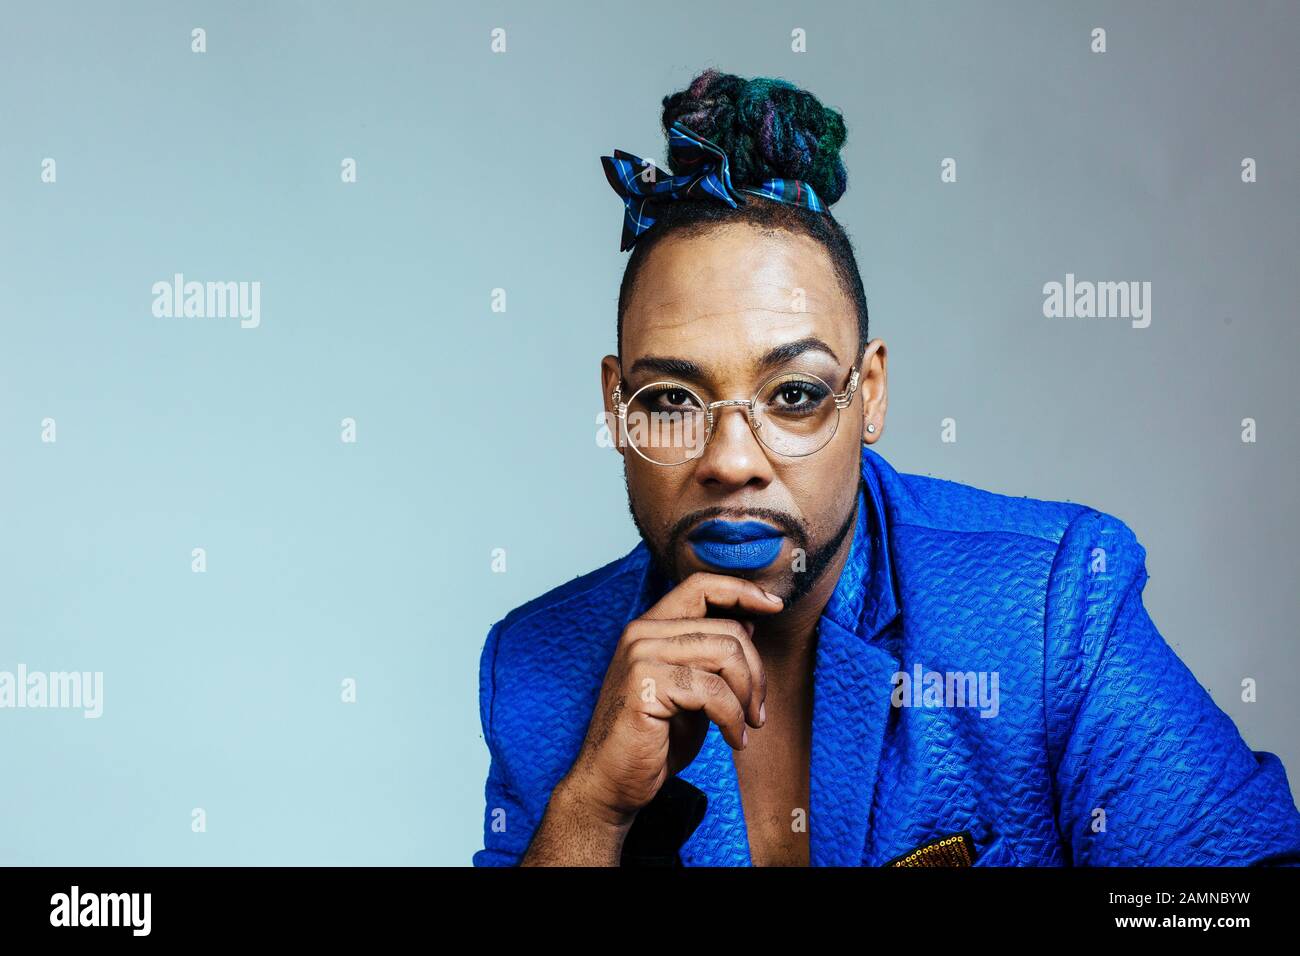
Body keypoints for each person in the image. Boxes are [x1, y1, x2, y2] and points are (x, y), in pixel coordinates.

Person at [472, 68, 1300, 866]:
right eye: (674, 401)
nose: (730, 461)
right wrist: (593, 807)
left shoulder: (1049, 608)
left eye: (793, 394)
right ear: (617, 407)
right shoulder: (538, 670)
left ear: (867, 395)